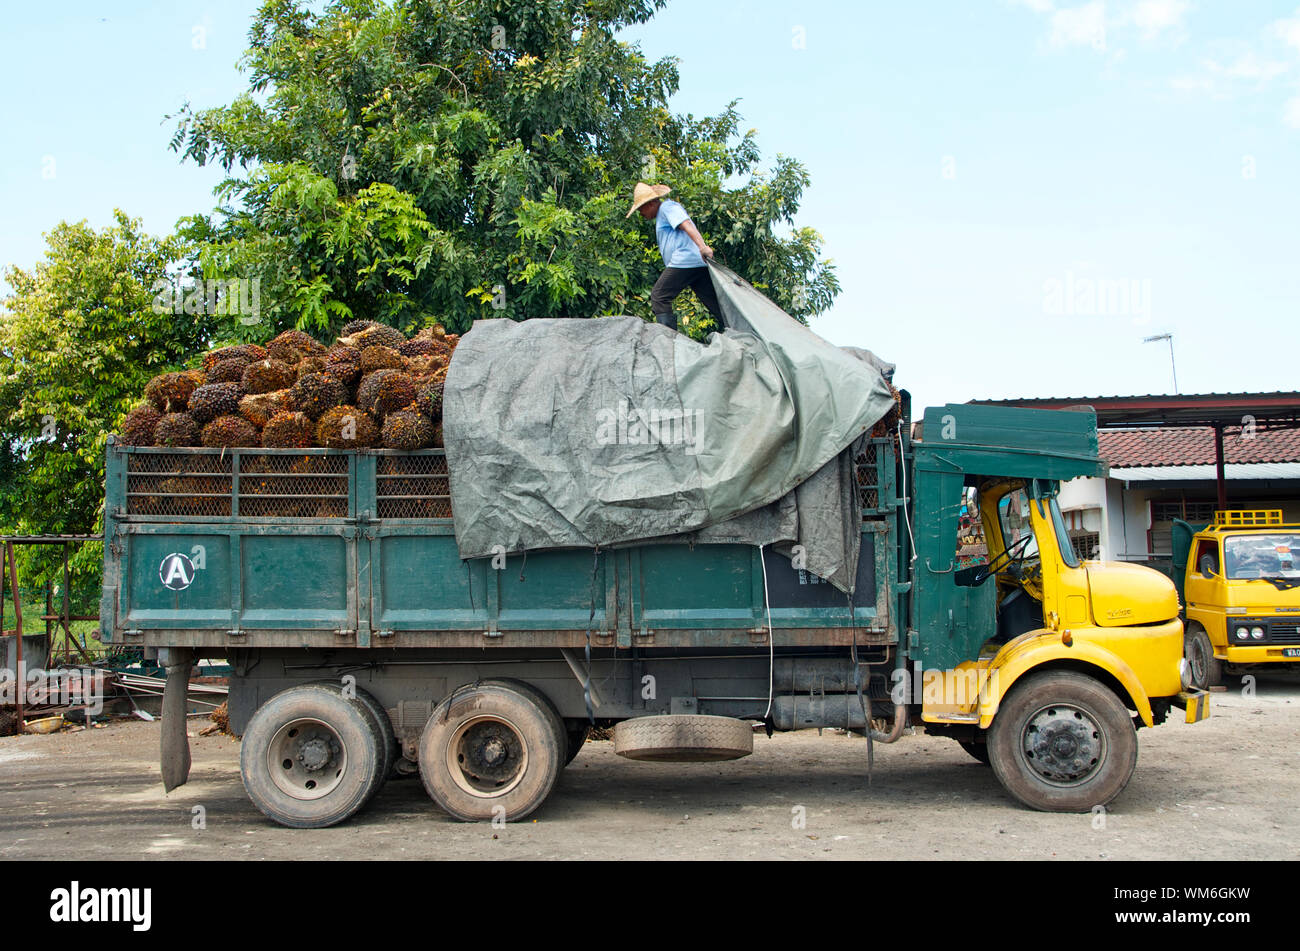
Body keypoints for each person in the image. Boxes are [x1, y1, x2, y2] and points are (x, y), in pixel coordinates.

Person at [626, 182, 722, 331]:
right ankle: (738, 330)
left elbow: (686, 224)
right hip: (696, 263)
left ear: (650, 203)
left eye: (640, 209)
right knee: (714, 302)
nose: (641, 213)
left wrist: (703, 247)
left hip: (684, 261)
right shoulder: (662, 215)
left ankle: (667, 340)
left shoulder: (667, 207)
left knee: (659, 296)